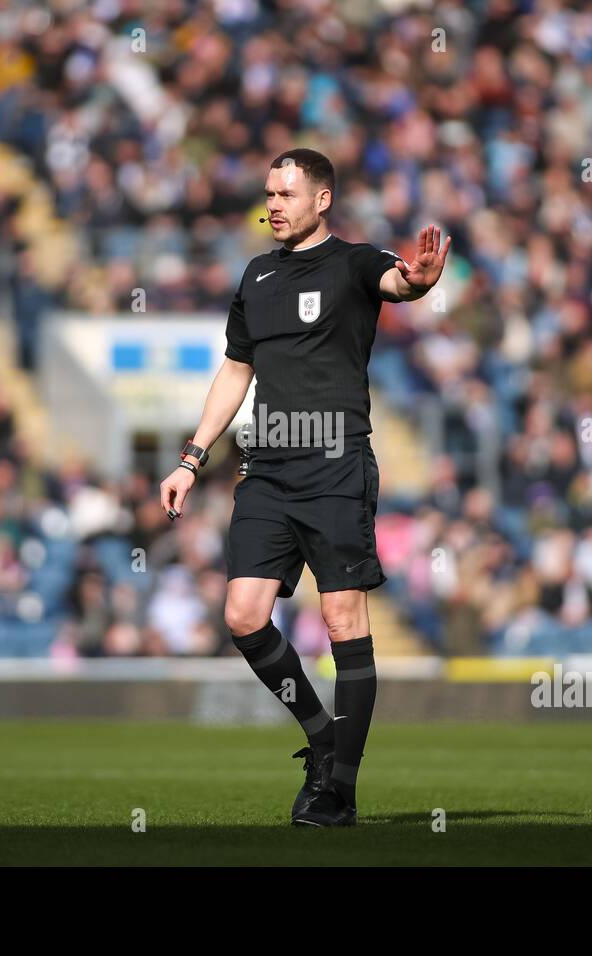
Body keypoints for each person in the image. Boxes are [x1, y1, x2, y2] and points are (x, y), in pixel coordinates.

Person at [158, 149, 449, 827]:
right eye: (269, 193)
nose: (274, 204)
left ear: (322, 200)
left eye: (287, 193)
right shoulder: (256, 274)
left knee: (344, 620)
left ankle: (339, 790)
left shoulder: (354, 262)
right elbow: (236, 370)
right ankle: (323, 736)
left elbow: (398, 284)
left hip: (337, 466)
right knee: (242, 617)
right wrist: (192, 458)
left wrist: (422, 283)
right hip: (267, 470)